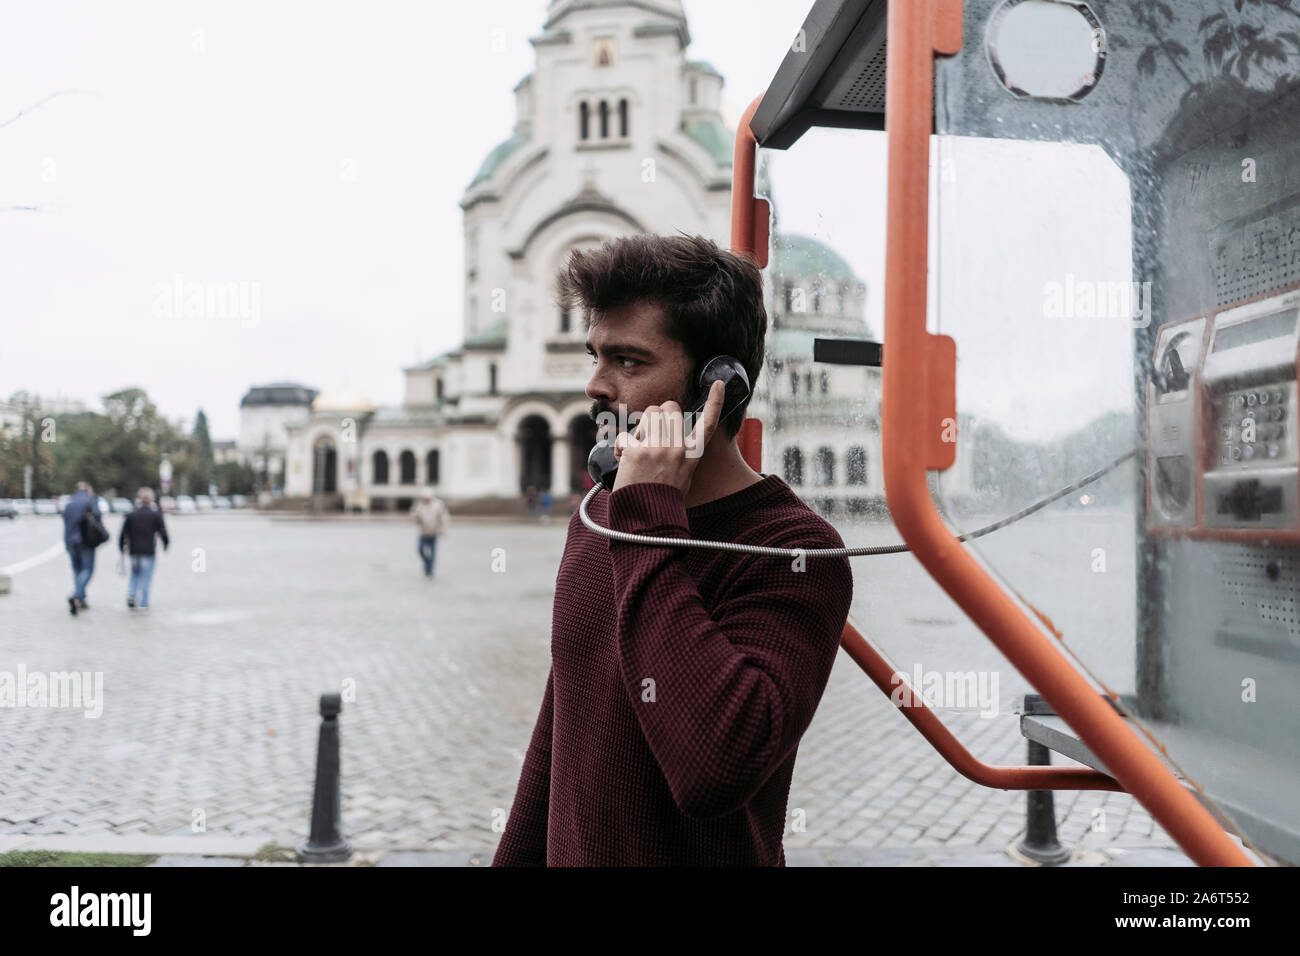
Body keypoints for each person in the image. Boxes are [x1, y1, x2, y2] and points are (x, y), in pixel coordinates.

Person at [493, 234, 854, 867]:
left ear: (720, 385)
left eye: (629, 362)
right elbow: (564, 728)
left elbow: (714, 764)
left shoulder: (794, 553)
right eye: (595, 356)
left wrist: (648, 526)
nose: (596, 386)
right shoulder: (601, 516)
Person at [119, 487, 169, 610]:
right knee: (146, 576)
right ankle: (143, 601)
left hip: (134, 550)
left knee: (135, 574)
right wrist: (166, 544)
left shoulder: (131, 515)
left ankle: (131, 595)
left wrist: (122, 547)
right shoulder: (155, 515)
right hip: (148, 551)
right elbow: (163, 532)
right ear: (151, 499)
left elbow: (123, 534)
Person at [62, 481, 102, 616]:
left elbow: (66, 524)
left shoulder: (70, 503)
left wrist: (66, 542)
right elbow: (98, 519)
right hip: (86, 541)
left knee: (77, 570)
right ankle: (77, 594)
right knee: (88, 570)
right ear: (88, 490)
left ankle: (81, 599)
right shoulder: (91, 501)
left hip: (71, 542)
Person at [411, 489, 449, 577]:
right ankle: (427, 563)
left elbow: (443, 518)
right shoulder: (419, 505)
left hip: (433, 532)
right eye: (425, 498)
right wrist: (415, 517)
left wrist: (442, 531)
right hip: (423, 532)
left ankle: (429, 570)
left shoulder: (438, 505)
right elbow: (414, 515)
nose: (426, 499)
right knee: (420, 549)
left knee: (432, 553)